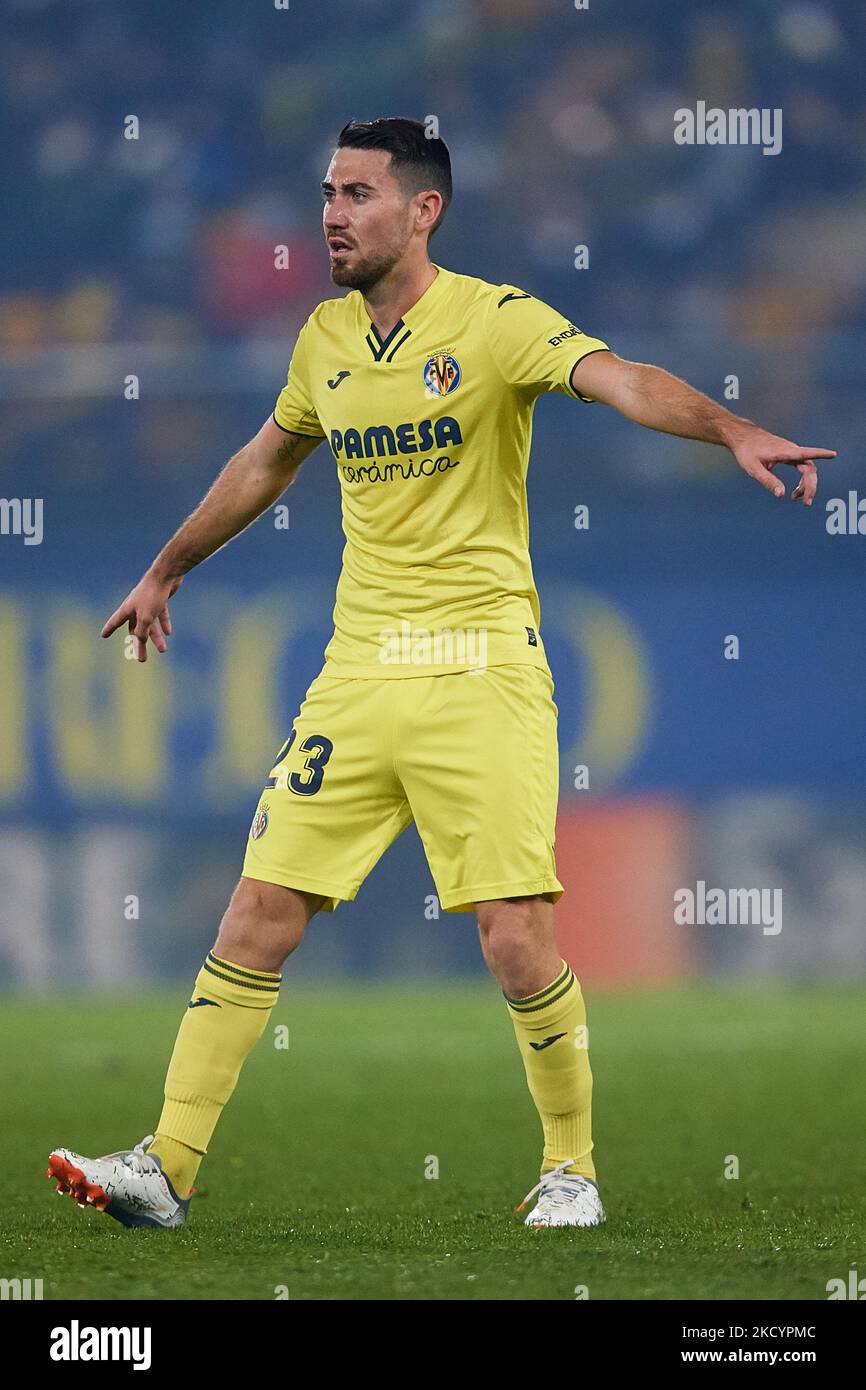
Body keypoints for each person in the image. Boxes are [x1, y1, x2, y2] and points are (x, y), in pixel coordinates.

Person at [46, 117, 835, 1230]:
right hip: (356, 673)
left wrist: (731, 427)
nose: (330, 212)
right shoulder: (322, 337)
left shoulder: (498, 321)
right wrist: (167, 567)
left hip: (479, 670)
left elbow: (622, 380)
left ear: (423, 211)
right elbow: (266, 458)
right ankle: (164, 1168)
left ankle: (571, 1168)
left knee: (514, 937)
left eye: (358, 193)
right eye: (326, 191)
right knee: (257, 912)